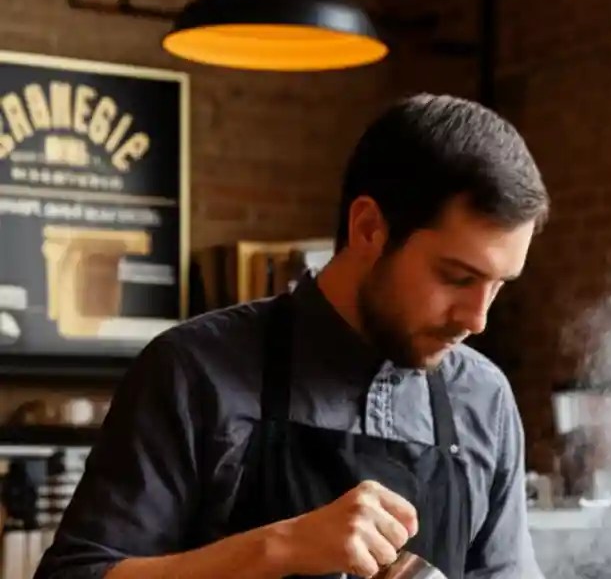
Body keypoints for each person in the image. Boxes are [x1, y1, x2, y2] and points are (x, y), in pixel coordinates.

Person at [34, 94, 551, 579]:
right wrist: (275, 548)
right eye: (456, 277)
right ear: (369, 227)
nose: (478, 318)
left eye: (497, 286)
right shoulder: (193, 371)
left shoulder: (484, 401)